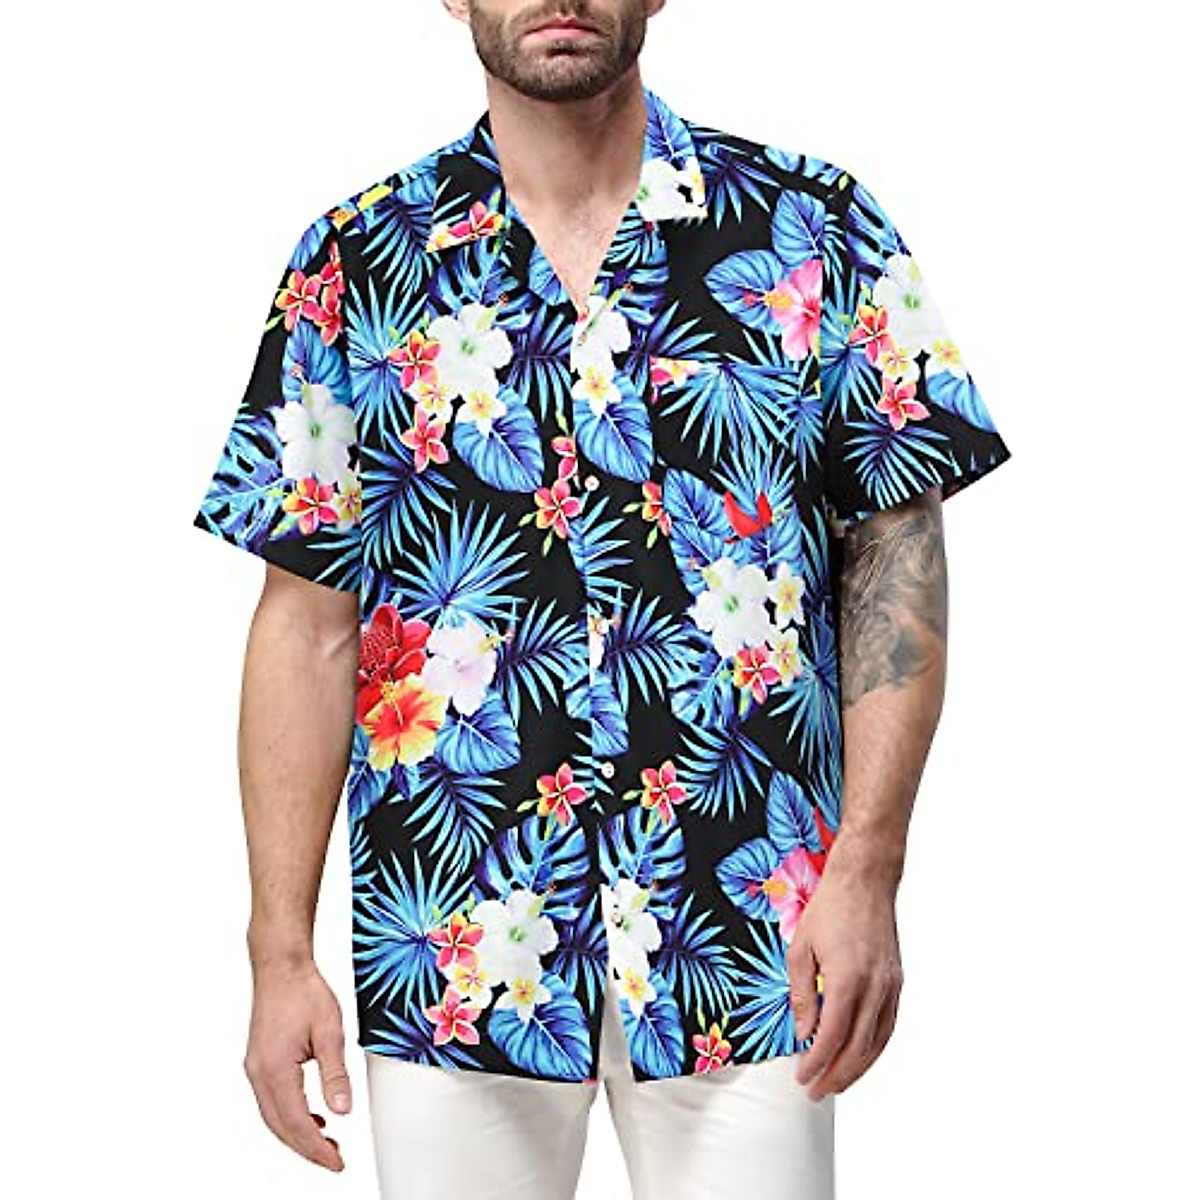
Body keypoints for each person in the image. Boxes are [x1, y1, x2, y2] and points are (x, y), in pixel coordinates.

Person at [191, 2, 1013, 1196]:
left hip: (753, 934)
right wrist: (278, 953)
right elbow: (307, 624)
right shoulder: (354, 266)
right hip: (456, 942)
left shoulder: (812, 227)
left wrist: (871, 871)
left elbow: (895, 561)